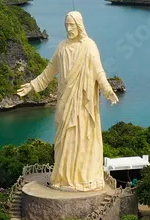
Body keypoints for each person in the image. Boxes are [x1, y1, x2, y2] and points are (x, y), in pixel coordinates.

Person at [17, 12, 118, 191]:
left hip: (82, 104)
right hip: (65, 101)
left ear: (80, 25)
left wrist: (108, 90)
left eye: (72, 25)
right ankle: (63, 177)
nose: (69, 29)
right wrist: (32, 85)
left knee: (82, 139)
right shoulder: (62, 47)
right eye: (66, 25)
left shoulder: (89, 46)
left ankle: (83, 178)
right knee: (64, 139)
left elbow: (98, 71)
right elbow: (50, 70)